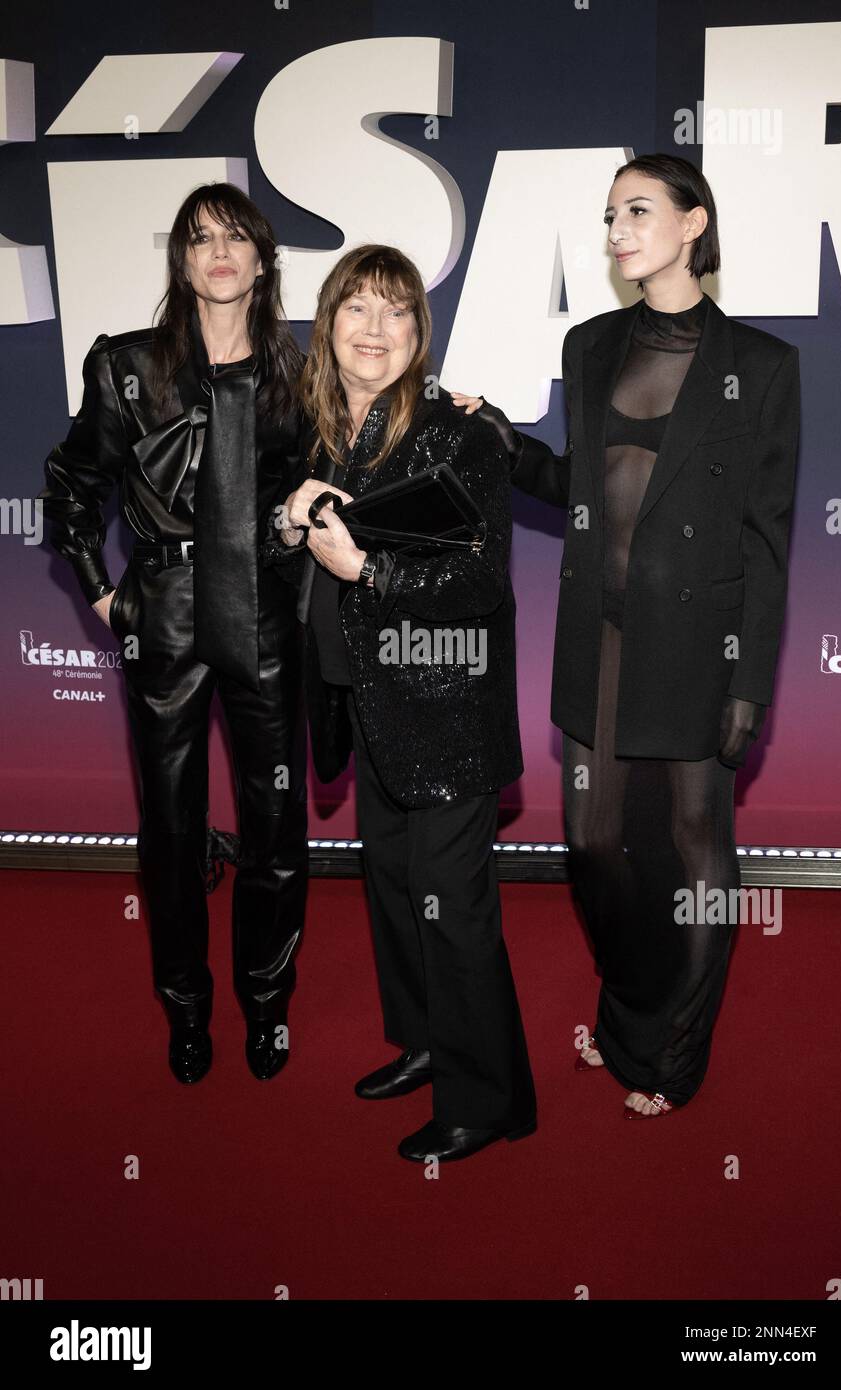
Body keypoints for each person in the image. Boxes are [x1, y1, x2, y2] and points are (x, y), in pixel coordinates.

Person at [454, 153, 800, 1116]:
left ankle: (672, 1055)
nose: (617, 226)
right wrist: (505, 444)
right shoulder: (592, 345)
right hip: (598, 636)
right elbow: (582, 487)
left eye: (638, 209)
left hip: (704, 650)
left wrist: (750, 681)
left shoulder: (764, 366)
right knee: (597, 843)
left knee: (694, 852)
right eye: (610, 213)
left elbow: (767, 538)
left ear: (694, 224)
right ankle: (629, 1010)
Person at [39, 183, 309, 1085]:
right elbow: (72, 485)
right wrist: (101, 594)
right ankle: (187, 1010)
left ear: (264, 260)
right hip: (166, 612)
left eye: (237, 237)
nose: (220, 251)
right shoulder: (126, 368)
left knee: (274, 828)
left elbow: (345, 475)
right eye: (200, 239)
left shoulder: (297, 379)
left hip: (266, 615)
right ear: (183, 262)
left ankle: (267, 1006)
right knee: (170, 829)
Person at [279, 243, 537, 1161]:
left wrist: (366, 566)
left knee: (454, 906)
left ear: (420, 334)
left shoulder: (454, 430)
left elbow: (482, 580)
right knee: (393, 891)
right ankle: (429, 1043)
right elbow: (286, 547)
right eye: (358, 308)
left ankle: (489, 1098)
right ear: (329, 323)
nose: (375, 329)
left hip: (446, 704)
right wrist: (288, 519)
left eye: (397, 312)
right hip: (367, 700)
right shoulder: (316, 431)